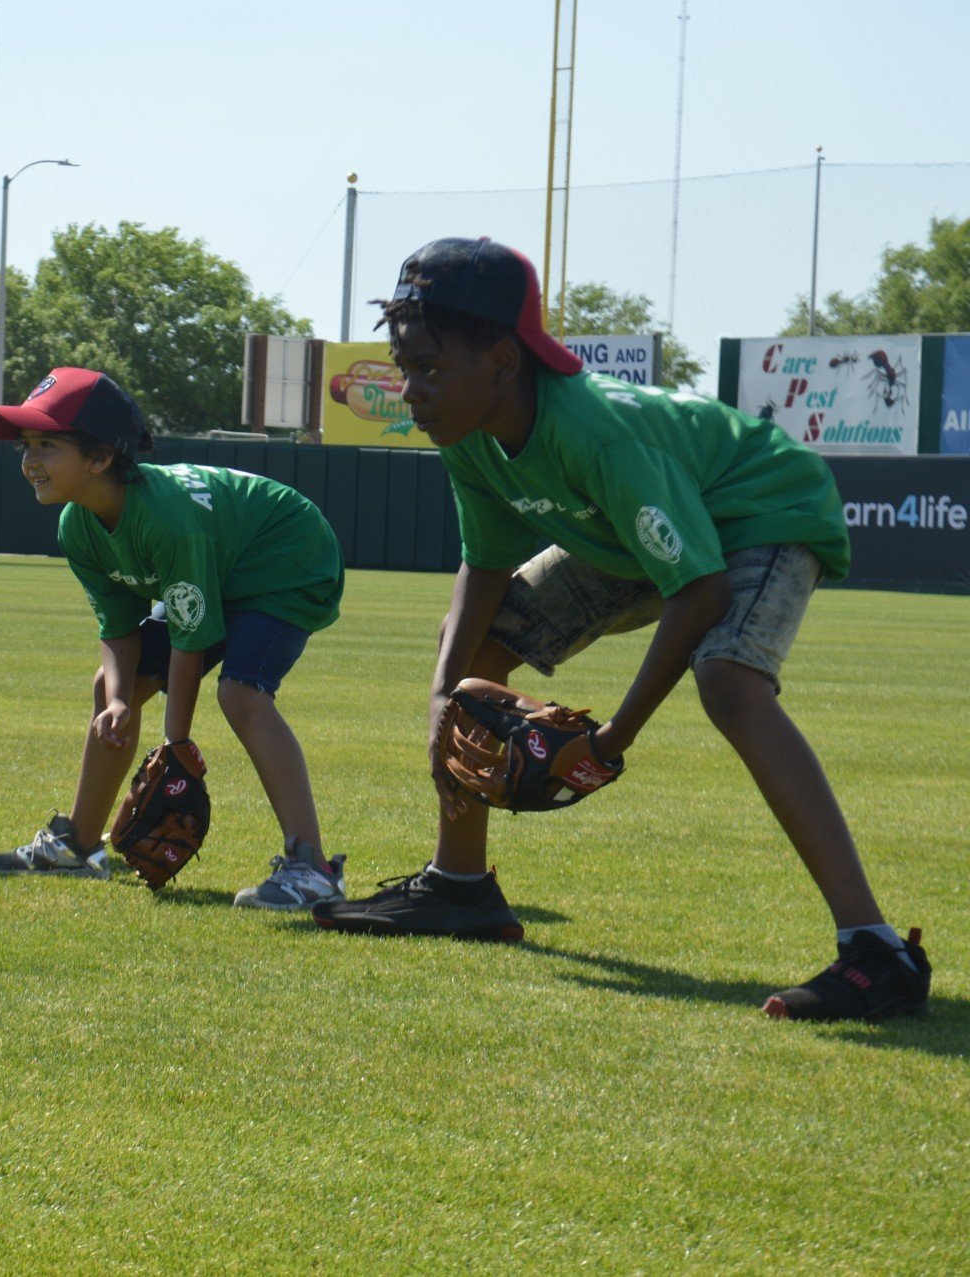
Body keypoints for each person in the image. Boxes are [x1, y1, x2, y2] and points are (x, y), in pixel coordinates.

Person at [313, 237, 929, 1022]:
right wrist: (443, 692)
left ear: (502, 361)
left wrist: (609, 744)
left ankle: (878, 949)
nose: (410, 391)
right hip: (630, 527)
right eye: (404, 367)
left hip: (756, 512)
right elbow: (485, 565)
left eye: (428, 368)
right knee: (472, 649)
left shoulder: (595, 431)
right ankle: (460, 885)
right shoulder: (468, 432)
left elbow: (700, 588)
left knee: (729, 683)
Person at [0, 368, 347, 910]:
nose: (29, 460)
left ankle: (312, 867)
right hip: (221, 561)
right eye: (26, 446)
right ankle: (77, 846)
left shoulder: (166, 520)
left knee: (241, 694)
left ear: (100, 458)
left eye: (47, 445)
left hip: (287, 558)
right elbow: (118, 631)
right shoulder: (76, 526)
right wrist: (122, 699)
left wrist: (176, 747)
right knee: (108, 686)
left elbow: (191, 640)